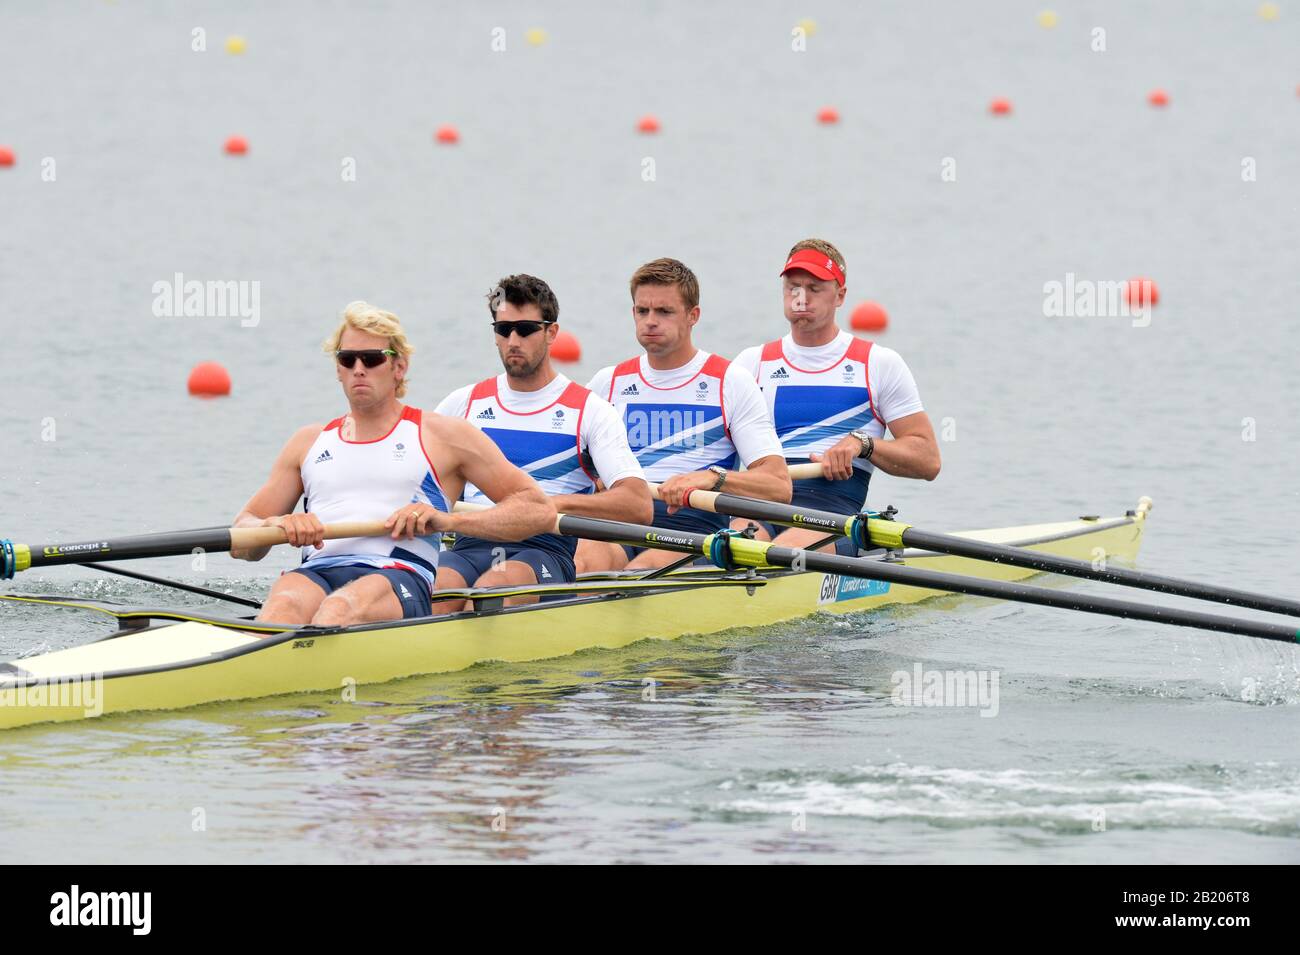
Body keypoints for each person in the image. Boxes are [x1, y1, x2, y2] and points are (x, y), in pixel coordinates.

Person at [231, 301, 555, 625]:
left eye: (372, 359)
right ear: (338, 369)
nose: (359, 368)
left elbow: (538, 509)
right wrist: (273, 527)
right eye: (347, 359)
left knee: (340, 608)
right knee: (283, 603)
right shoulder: (307, 442)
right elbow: (241, 540)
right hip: (315, 571)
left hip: (397, 576)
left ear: (399, 367)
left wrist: (449, 523)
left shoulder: (442, 436)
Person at [432, 274, 651, 608]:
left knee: (494, 587)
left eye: (526, 329)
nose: (513, 340)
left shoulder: (590, 411)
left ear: (552, 333)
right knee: (437, 587)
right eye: (503, 330)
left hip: (545, 550)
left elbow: (638, 505)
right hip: (469, 547)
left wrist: (550, 505)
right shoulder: (464, 404)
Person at [732, 239, 940, 552]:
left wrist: (863, 444)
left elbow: (928, 460)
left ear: (840, 295)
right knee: (731, 547)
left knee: (783, 552)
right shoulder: (751, 364)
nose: (801, 298)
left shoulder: (878, 364)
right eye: (793, 287)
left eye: (814, 288)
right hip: (759, 506)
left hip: (832, 514)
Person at [586, 257, 791, 570]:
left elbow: (778, 485)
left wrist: (713, 478)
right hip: (619, 525)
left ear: (693, 316)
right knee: (581, 563)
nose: (651, 321)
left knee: (637, 573)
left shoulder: (729, 382)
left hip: (694, 531)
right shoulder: (608, 383)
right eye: (643, 311)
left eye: (664, 311)